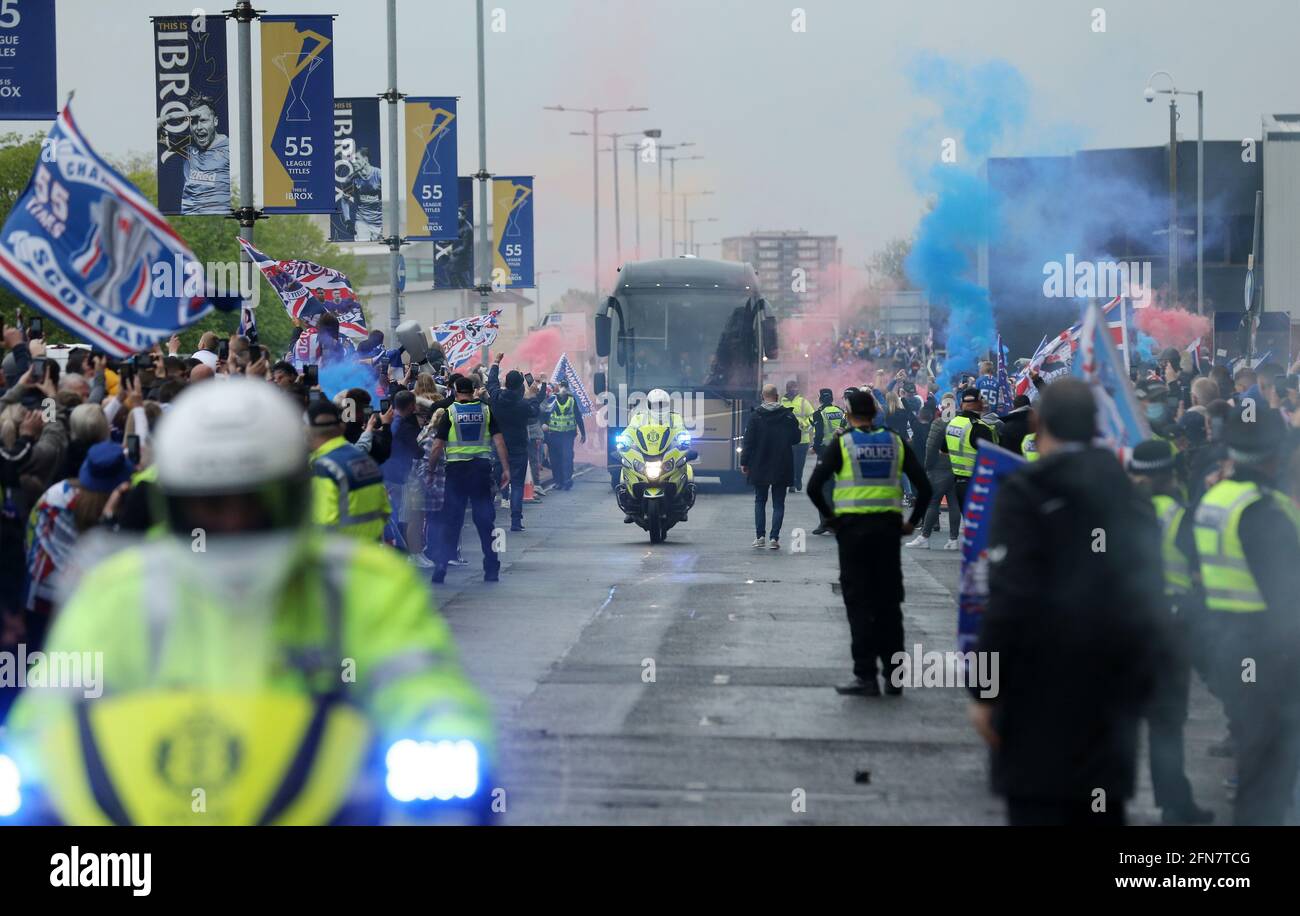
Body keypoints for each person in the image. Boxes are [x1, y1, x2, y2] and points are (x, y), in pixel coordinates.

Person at [6, 378, 493, 824]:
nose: (232, 521)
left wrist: (440, 740)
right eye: (209, 504)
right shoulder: (116, 592)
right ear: (172, 504)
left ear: (293, 494)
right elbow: (48, 710)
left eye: (252, 501)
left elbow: (427, 688)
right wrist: (24, 765)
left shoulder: (367, 586)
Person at [970, 379, 1166, 825]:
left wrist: (985, 690)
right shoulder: (1130, 494)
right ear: (1095, 425)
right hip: (1110, 697)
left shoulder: (1026, 490)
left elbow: (1008, 601)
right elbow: (1150, 597)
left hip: (1037, 698)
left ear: (1037, 423)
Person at [1190, 406, 1300, 825]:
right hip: (1266, 650)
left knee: (1255, 756)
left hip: (1225, 640)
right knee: (1270, 767)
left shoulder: (1214, 497)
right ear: (1275, 454)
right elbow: (1287, 599)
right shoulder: (1264, 511)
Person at [807, 390, 931, 697]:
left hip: (853, 532)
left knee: (859, 603)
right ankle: (895, 676)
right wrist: (911, 523)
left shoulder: (844, 443)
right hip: (888, 531)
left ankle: (865, 676)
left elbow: (814, 486)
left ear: (848, 414)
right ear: (875, 413)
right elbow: (924, 488)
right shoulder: (895, 442)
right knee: (889, 604)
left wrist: (831, 519)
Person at [1127, 439, 1214, 825]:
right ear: (1169, 474)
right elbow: (1200, 576)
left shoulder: (1117, 513)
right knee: (1166, 722)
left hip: (1121, 626)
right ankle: (1175, 805)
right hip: (1167, 629)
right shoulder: (1181, 516)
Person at [429, 377, 510, 583]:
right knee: (485, 521)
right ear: (474, 391)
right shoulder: (486, 411)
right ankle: (492, 568)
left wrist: (430, 470)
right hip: (481, 471)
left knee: (451, 521)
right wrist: (506, 469)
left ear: (456, 391)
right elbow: (499, 441)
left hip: (456, 472)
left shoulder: (450, 413)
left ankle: (441, 567)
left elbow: (437, 446)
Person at [306, 400, 392, 542]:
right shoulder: (367, 461)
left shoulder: (322, 467)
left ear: (307, 430)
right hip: (371, 551)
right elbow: (385, 510)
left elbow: (324, 523)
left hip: (338, 555)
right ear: (342, 427)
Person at [486, 354, 542, 532]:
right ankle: (516, 521)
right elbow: (534, 412)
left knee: (496, 481)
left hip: (498, 445)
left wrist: (495, 363)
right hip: (518, 447)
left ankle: (489, 516)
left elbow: (491, 383)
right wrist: (533, 394)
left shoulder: (496, 398)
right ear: (520, 386)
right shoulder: (522, 404)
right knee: (517, 484)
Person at [740, 384, 800, 549]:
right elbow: (796, 439)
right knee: (778, 503)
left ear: (762, 396)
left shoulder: (755, 416)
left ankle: (760, 537)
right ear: (777, 396)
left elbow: (748, 442)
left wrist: (744, 462)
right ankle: (774, 538)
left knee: (760, 500)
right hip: (782, 464)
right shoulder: (788, 416)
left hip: (760, 464)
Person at [941, 388, 998, 514]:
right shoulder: (980, 428)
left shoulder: (952, 423)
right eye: (982, 399)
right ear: (978, 403)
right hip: (977, 485)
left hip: (958, 484)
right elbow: (993, 460)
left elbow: (943, 451)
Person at [543, 382, 585, 491]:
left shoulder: (572, 400)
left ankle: (566, 480)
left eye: (566, 387)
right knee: (555, 459)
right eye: (562, 386)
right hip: (553, 434)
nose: (564, 389)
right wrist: (543, 426)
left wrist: (583, 433)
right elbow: (545, 413)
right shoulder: (552, 399)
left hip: (568, 434)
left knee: (567, 457)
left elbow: (578, 416)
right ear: (558, 388)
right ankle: (558, 481)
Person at [780, 380, 815, 493]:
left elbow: (813, 416)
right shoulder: (782, 402)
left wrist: (804, 424)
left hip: (802, 440)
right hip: (787, 440)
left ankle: (798, 479)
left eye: (795, 387)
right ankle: (792, 483)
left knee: (799, 464)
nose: (793, 389)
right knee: (789, 463)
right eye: (791, 387)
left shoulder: (803, 402)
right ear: (787, 389)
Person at [811, 388, 845, 455]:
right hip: (840, 445)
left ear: (820, 399)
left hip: (825, 447)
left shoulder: (818, 413)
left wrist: (815, 447)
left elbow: (819, 433)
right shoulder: (840, 410)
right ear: (831, 398)